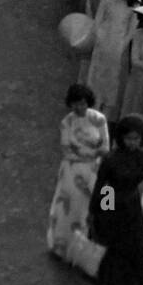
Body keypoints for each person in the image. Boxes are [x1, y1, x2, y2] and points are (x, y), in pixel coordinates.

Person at [89, 114, 143, 285]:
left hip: (132, 208)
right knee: (109, 250)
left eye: (136, 138)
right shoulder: (110, 159)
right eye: (129, 138)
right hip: (111, 202)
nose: (132, 142)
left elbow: (137, 182)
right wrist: (98, 212)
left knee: (135, 252)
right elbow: (102, 186)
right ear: (121, 137)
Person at [47, 84, 109, 260]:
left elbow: (105, 147)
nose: (79, 108)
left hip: (94, 171)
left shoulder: (99, 120)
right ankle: (62, 244)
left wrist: (88, 155)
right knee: (69, 206)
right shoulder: (66, 122)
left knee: (90, 207)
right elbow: (66, 150)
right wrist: (90, 154)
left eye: (82, 103)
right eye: (75, 104)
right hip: (72, 171)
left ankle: (84, 249)